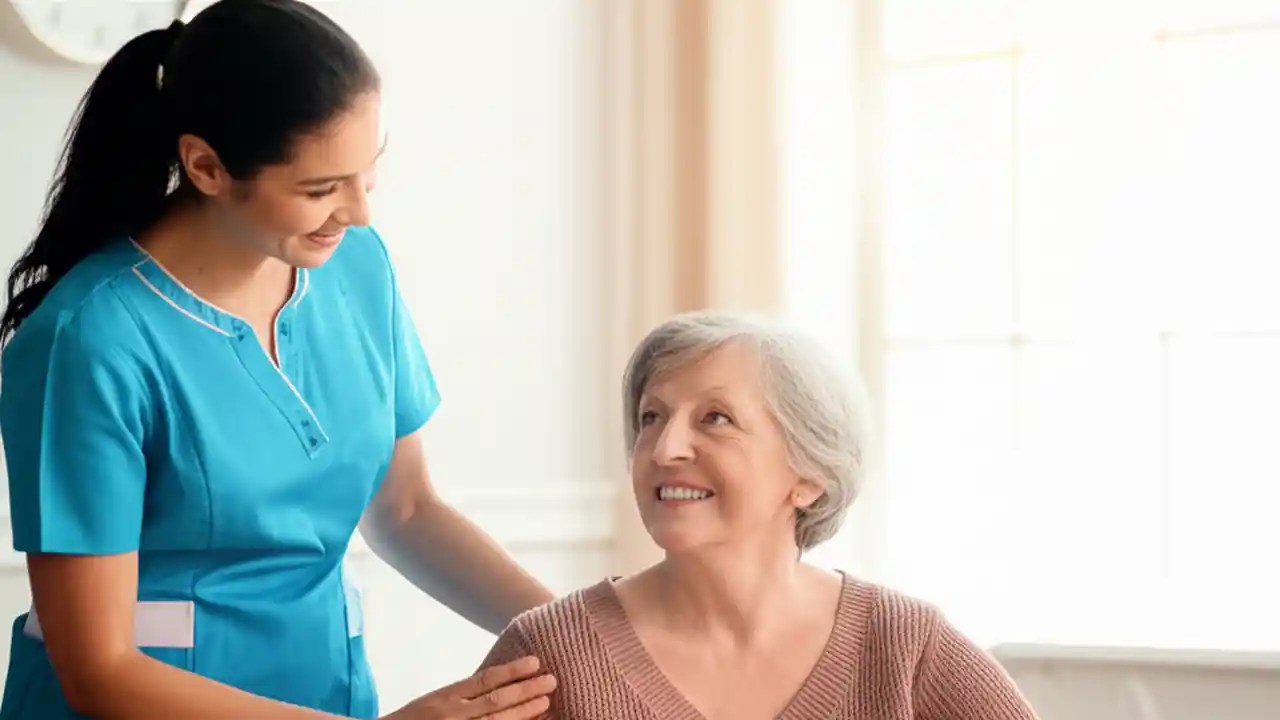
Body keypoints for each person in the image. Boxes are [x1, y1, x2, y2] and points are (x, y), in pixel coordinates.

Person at [0, 1, 557, 718]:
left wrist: (582, 633)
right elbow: (100, 670)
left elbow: (408, 509)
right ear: (206, 166)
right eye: (320, 189)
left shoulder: (356, 268)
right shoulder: (89, 342)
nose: (359, 212)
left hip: (326, 693)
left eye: (367, 174)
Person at [480, 311, 1039, 719]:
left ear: (808, 475)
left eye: (716, 418)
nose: (665, 447)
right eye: (652, 417)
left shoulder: (903, 648)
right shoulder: (550, 655)